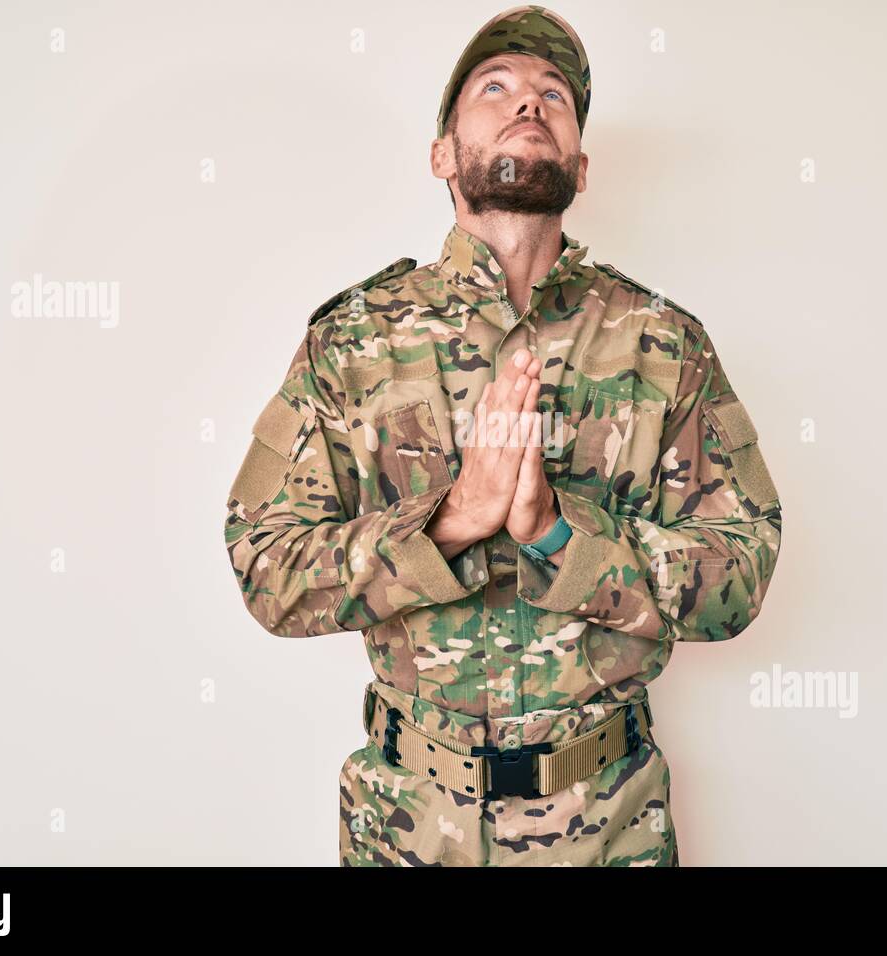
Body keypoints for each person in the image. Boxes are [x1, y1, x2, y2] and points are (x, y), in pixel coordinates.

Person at [223, 4, 782, 866]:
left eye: (553, 95)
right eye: (496, 88)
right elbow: (266, 569)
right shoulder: (353, 342)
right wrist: (448, 523)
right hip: (408, 829)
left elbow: (740, 572)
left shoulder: (663, 342)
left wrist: (561, 534)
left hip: (607, 829)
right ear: (443, 153)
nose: (529, 102)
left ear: (581, 166)